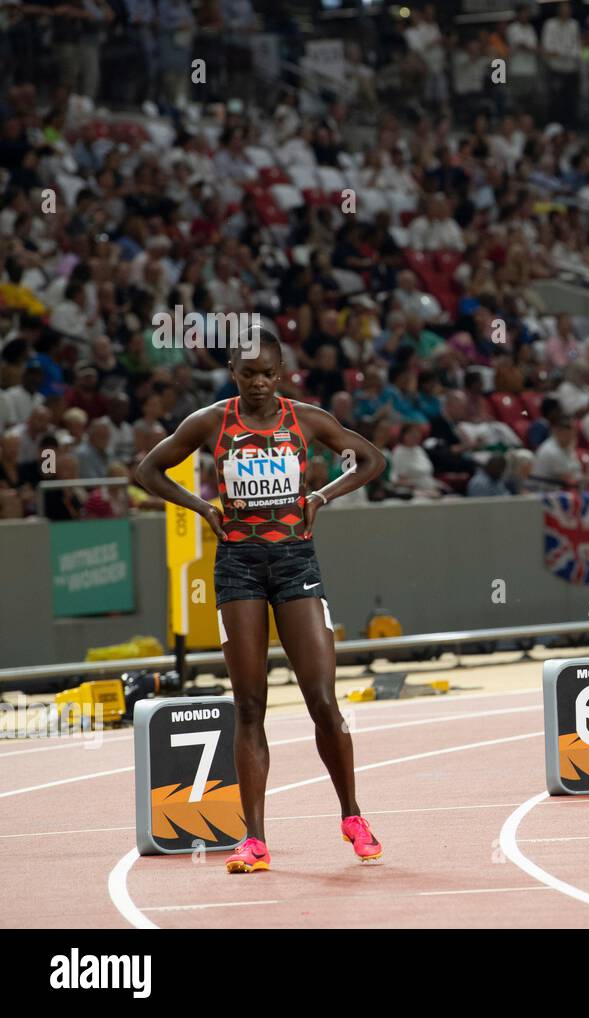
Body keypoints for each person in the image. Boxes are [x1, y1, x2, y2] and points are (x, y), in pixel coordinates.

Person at [135, 331, 388, 873]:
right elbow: (148, 471)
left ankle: (352, 815)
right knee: (249, 705)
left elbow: (370, 461)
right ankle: (254, 839)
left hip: (296, 564)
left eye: (267, 373)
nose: (258, 383)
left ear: (281, 373)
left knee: (322, 698)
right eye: (248, 373)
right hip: (238, 568)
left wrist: (321, 495)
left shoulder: (306, 419)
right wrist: (201, 507)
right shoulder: (212, 421)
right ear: (233, 372)